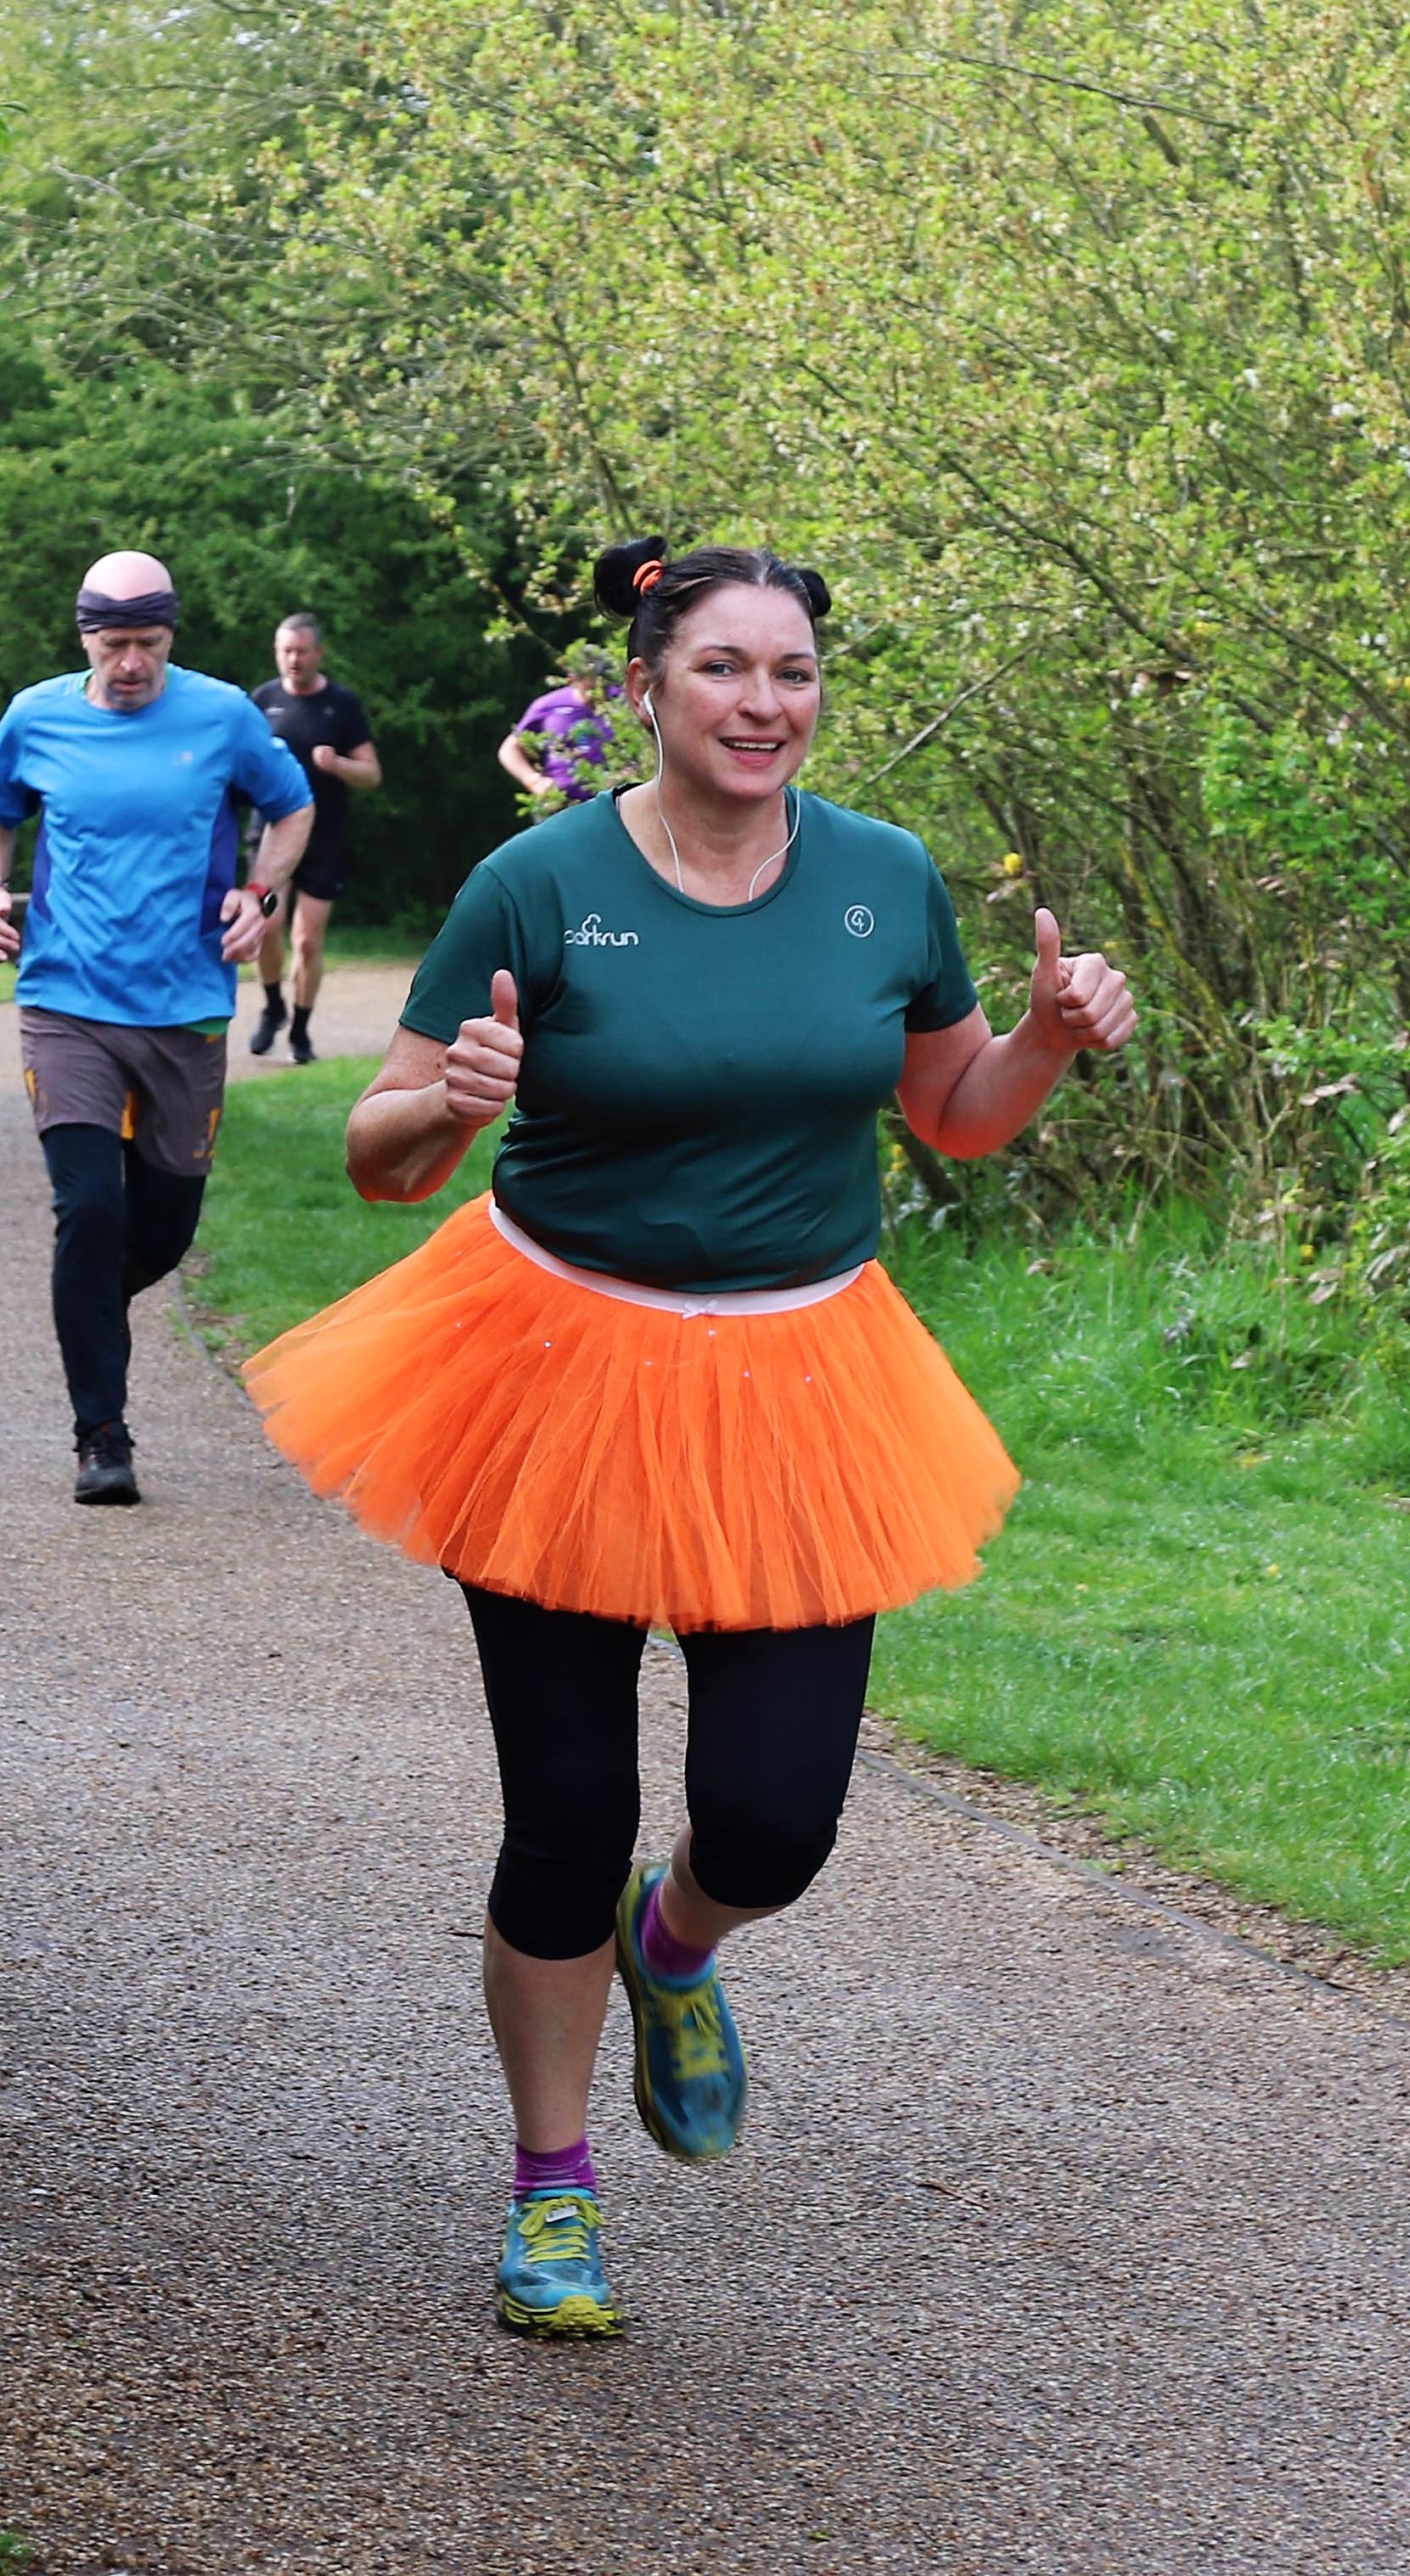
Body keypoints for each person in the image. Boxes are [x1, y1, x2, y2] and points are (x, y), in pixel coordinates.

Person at [244, 537, 1136, 2337]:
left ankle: (678, 1948)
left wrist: (1043, 1037)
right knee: (565, 1809)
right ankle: (553, 2188)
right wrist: (451, 1103)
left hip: (804, 1375)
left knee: (774, 1818)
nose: (761, 704)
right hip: (554, 1365)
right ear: (642, 689)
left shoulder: (884, 880)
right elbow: (379, 1148)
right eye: (722, 668)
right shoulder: (538, 880)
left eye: (791, 671)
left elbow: (953, 1120)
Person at [0, 550, 314, 1506]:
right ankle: (101, 1434)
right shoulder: (36, 714)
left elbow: (291, 808)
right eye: (114, 644)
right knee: (88, 1210)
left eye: (148, 644)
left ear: (172, 637)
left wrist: (259, 892)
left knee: (157, 1236)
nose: (131, 663)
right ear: (85, 638)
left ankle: (89, 1308)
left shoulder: (221, 716)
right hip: (65, 1001)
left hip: (186, 1008)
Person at [248, 614, 381, 1064]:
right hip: (269, 831)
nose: (293, 659)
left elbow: (371, 774)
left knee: (307, 940)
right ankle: (272, 1008)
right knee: (266, 925)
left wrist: (339, 765)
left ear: (318, 653)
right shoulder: (262, 700)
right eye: (285, 650)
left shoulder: (341, 704)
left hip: (325, 836)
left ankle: (301, 1031)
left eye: (302, 651)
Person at [495, 656, 615, 811]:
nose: (598, 690)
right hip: (561, 804)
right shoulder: (550, 706)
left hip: (613, 801)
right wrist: (533, 780)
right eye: (592, 683)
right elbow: (509, 748)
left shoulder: (622, 701)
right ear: (574, 679)